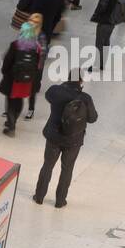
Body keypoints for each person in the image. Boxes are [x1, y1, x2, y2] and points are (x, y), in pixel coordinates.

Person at [34, 69, 98, 207]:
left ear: (68, 77)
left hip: (54, 137)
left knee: (47, 166)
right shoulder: (85, 98)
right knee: (67, 169)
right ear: (81, 80)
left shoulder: (55, 91)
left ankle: (39, 196)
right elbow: (93, 118)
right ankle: (60, 201)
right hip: (73, 141)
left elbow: (47, 96)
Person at [0, 21, 44, 135]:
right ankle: (13, 121)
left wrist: (4, 72)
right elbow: (38, 65)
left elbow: (7, 61)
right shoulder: (37, 47)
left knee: (10, 100)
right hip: (27, 80)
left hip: (13, 78)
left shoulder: (15, 45)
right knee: (20, 99)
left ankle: (11, 126)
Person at [89, 0, 125, 75]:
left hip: (105, 20)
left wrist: (96, 15)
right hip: (112, 21)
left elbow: (102, 6)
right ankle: (102, 63)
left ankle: (97, 65)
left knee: (100, 43)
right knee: (105, 42)